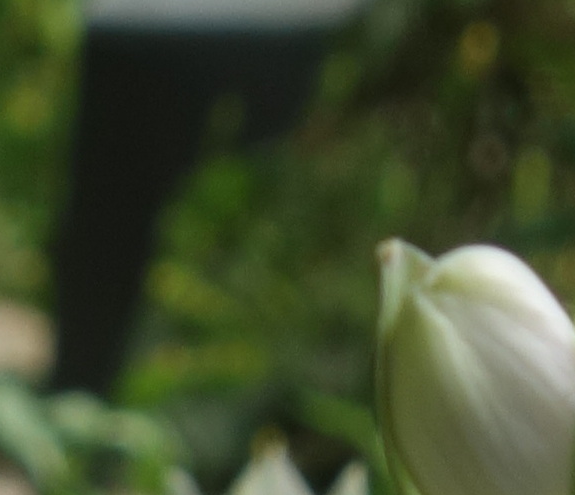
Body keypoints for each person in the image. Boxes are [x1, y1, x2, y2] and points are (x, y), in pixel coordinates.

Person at [46, 0, 362, 392]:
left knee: (113, 229)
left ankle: (84, 402)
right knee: (118, 229)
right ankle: (86, 406)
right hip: (180, 25)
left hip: (163, 25)